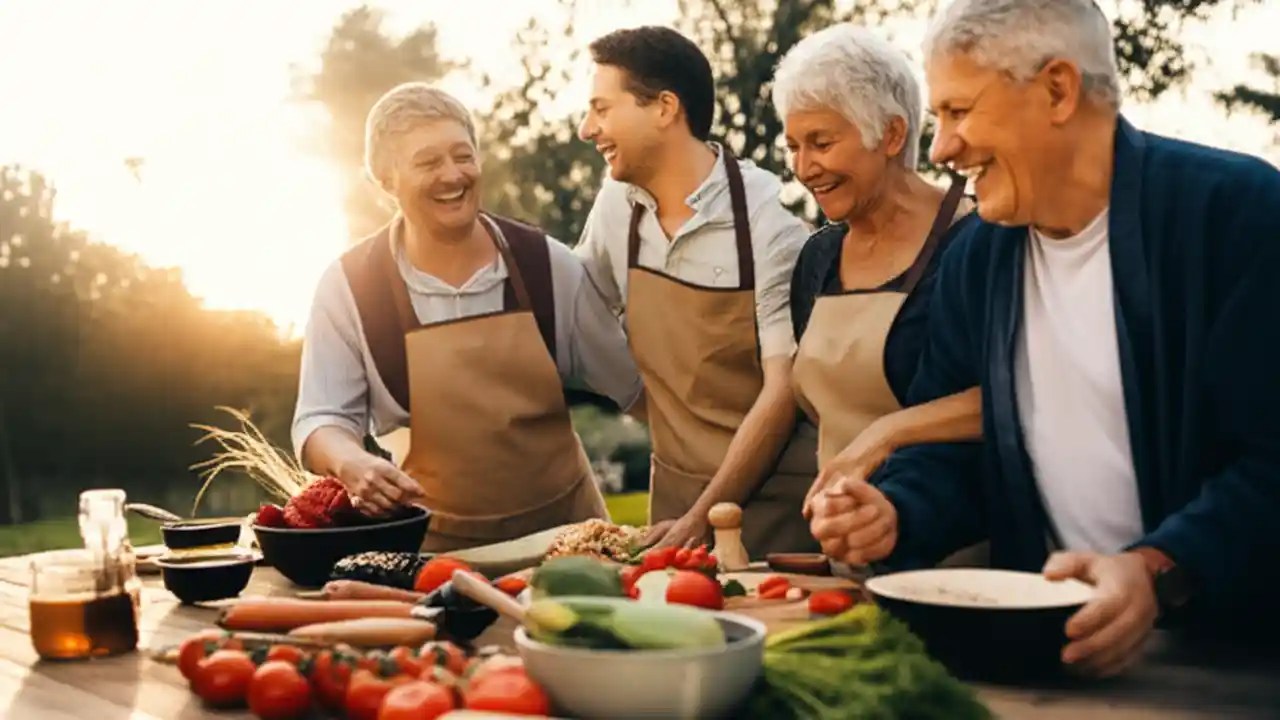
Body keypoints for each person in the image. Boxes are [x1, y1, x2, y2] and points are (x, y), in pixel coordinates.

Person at [811, 0, 1280, 677]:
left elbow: (1270, 463)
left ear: (1057, 89)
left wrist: (1156, 571)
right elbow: (959, 458)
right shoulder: (974, 257)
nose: (940, 148)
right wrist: (896, 511)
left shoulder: (1237, 215)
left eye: (960, 112)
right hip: (1044, 663)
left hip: (1232, 665)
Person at [292, 83, 644, 552]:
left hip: (570, 546)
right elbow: (322, 418)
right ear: (385, 179)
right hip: (434, 553)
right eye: (428, 162)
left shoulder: (547, 267)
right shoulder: (350, 288)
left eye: (463, 155)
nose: (452, 175)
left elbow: (638, 389)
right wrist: (351, 462)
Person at [574, 26, 816, 556]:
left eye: (602, 108)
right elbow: (577, 320)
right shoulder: (617, 208)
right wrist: (643, 401)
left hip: (772, 511)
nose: (586, 128)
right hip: (673, 504)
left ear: (664, 108)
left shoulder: (769, 227)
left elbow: (784, 391)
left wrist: (705, 517)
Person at [772, 24, 983, 516]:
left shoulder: (975, 241)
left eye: (820, 143)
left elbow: (1013, 397)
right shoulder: (818, 258)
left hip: (953, 555)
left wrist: (887, 433)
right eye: (793, 147)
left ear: (891, 135)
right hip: (838, 544)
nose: (803, 169)